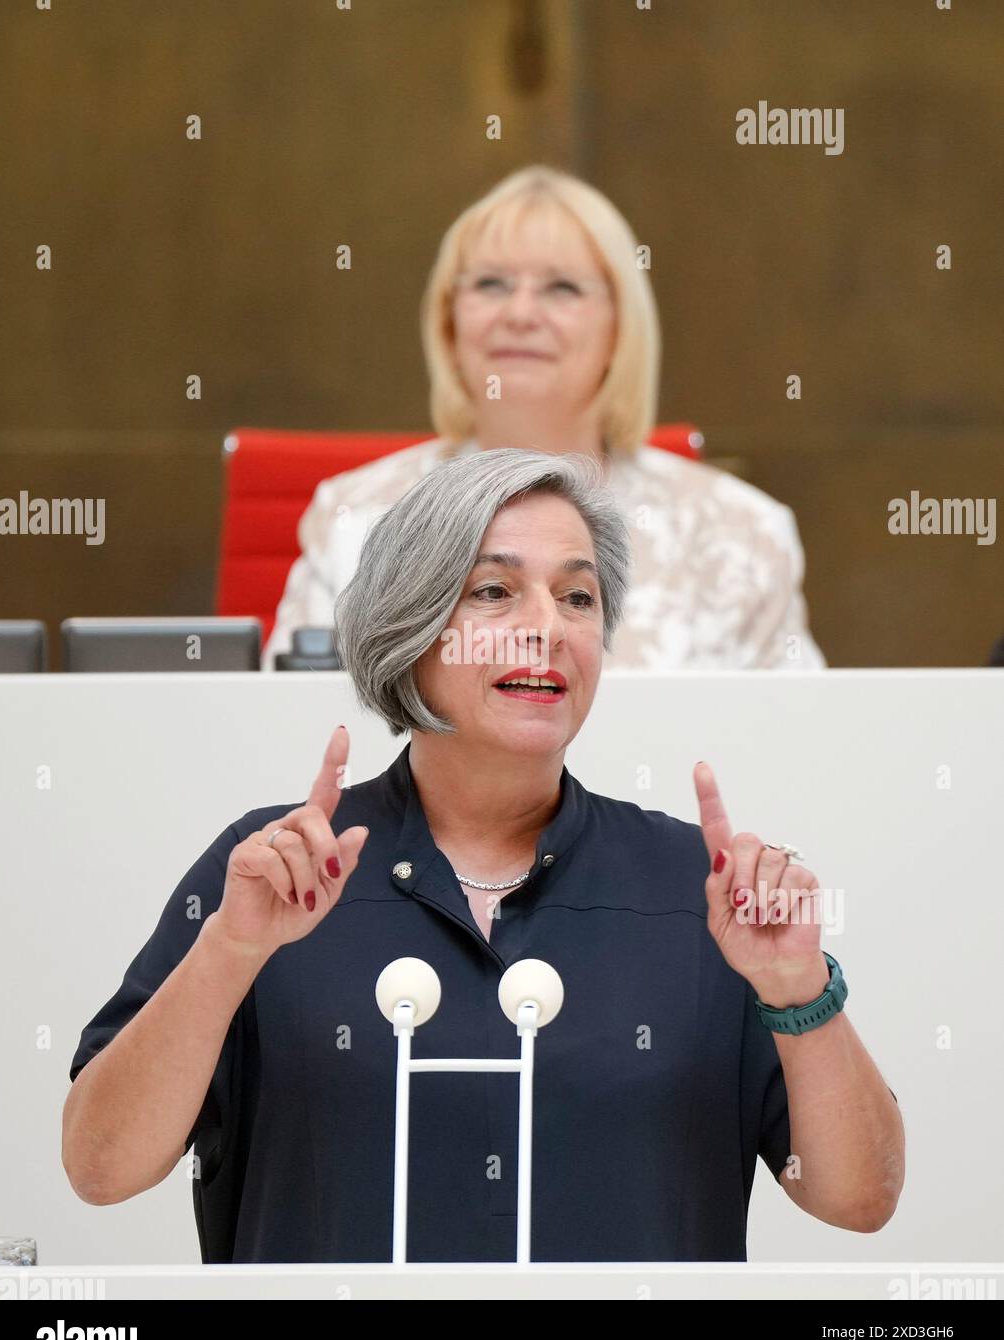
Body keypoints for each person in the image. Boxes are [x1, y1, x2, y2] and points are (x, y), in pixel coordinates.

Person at [64, 448, 900, 1264]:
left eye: (579, 596)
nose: (549, 627)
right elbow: (101, 1169)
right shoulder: (271, 876)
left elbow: (861, 1199)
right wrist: (233, 952)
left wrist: (800, 993)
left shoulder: (698, 892)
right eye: (495, 591)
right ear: (410, 625)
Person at [262, 165, 825, 672]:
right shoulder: (353, 517)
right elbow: (292, 741)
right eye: (491, 284)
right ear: (449, 323)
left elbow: (794, 754)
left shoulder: (743, 532)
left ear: (619, 330)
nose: (521, 313)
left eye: (561, 288)